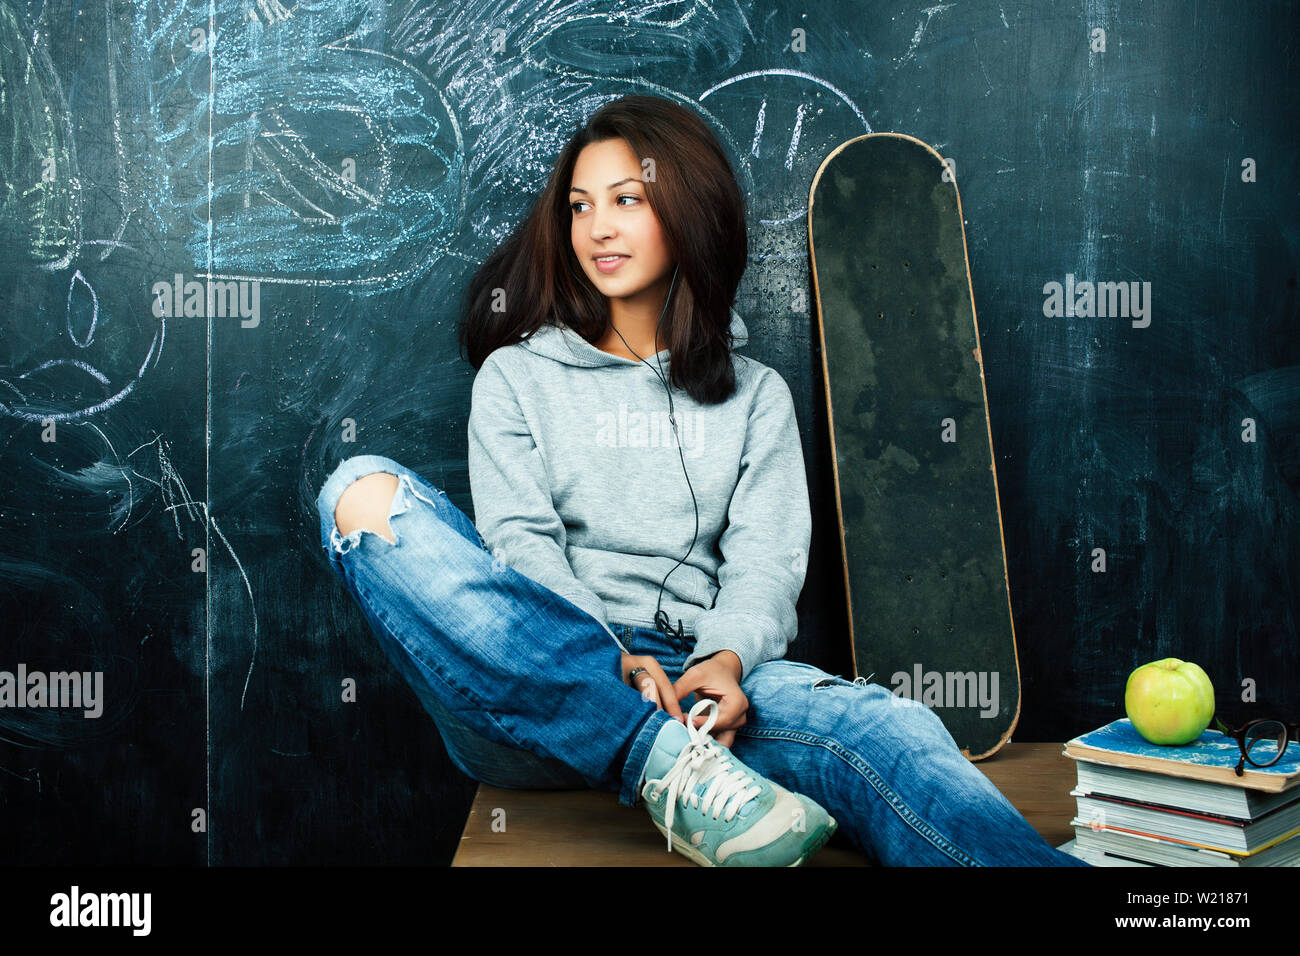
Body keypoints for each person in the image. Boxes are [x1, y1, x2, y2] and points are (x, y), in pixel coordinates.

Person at [315, 94, 1090, 867]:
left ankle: (670, 763)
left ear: (688, 211)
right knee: (359, 491)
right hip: (538, 690)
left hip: (699, 688)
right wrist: (603, 656)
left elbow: (765, 567)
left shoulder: (755, 397)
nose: (598, 228)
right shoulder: (516, 377)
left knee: (892, 730)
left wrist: (723, 661)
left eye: (627, 200)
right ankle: (658, 763)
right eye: (581, 206)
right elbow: (522, 543)